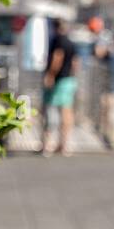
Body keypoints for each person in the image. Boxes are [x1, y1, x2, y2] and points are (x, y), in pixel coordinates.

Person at [41, 19, 78, 155]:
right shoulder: (71, 41)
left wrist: (50, 75)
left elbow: (57, 57)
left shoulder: (58, 40)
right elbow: (75, 62)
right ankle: (64, 144)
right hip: (69, 79)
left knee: (50, 111)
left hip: (58, 80)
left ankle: (48, 144)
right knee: (67, 111)